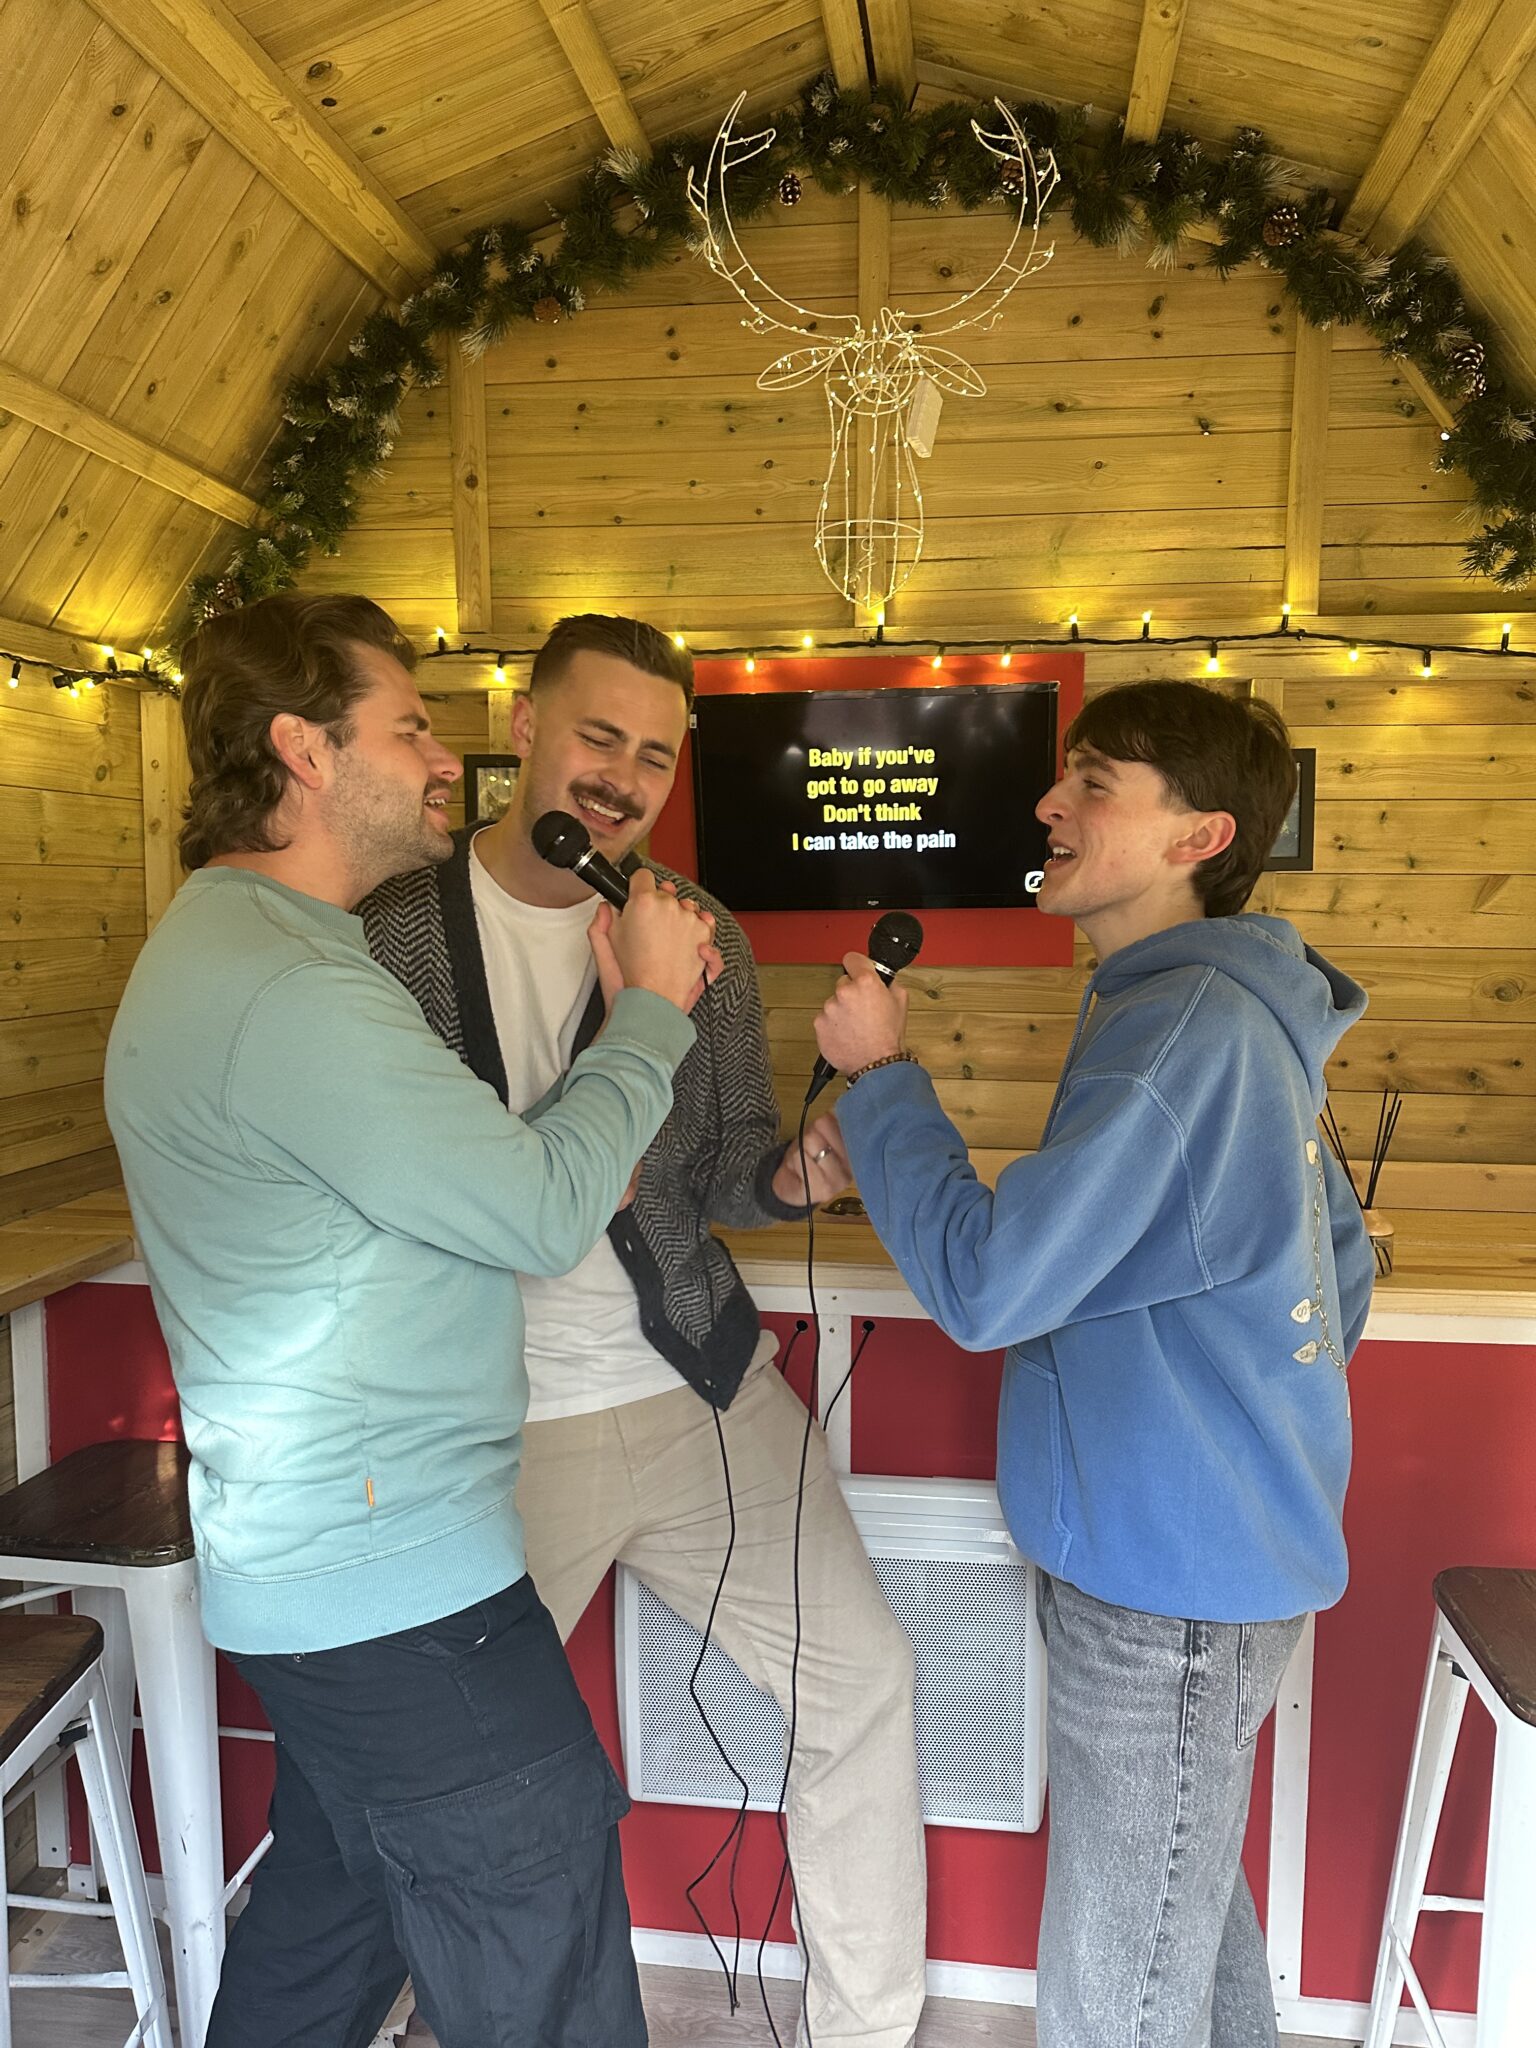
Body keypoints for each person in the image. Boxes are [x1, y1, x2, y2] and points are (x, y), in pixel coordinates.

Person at [105, 592, 719, 2048]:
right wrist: (652, 1017)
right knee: (544, 1953)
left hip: (336, 1571)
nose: (444, 759)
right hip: (392, 1590)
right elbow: (535, 1207)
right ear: (305, 751)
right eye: (410, 725)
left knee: (329, 1934)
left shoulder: (261, 955)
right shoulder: (288, 991)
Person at [362, 613, 927, 2048]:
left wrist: (794, 1169)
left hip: (700, 1385)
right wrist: (634, 1022)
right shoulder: (385, 933)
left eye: (654, 757)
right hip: (490, 1431)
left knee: (864, 1683)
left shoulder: (702, 928)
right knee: (445, 1776)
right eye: (600, 737)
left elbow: (727, 1165)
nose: (622, 778)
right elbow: (453, 1198)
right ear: (525, 722)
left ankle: (872, 2029)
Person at [813, 680, 1375, 2048]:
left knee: (1114, 1994)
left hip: (1165, 1592)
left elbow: (992, 1288)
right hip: (1200, 1564)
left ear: (1201, 837)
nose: (1050, 805)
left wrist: (881, 1084)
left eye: (1097, 784)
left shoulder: (1182, 1033)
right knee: (1189, 1925)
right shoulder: (1225, 1014)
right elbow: (1340, 1275)